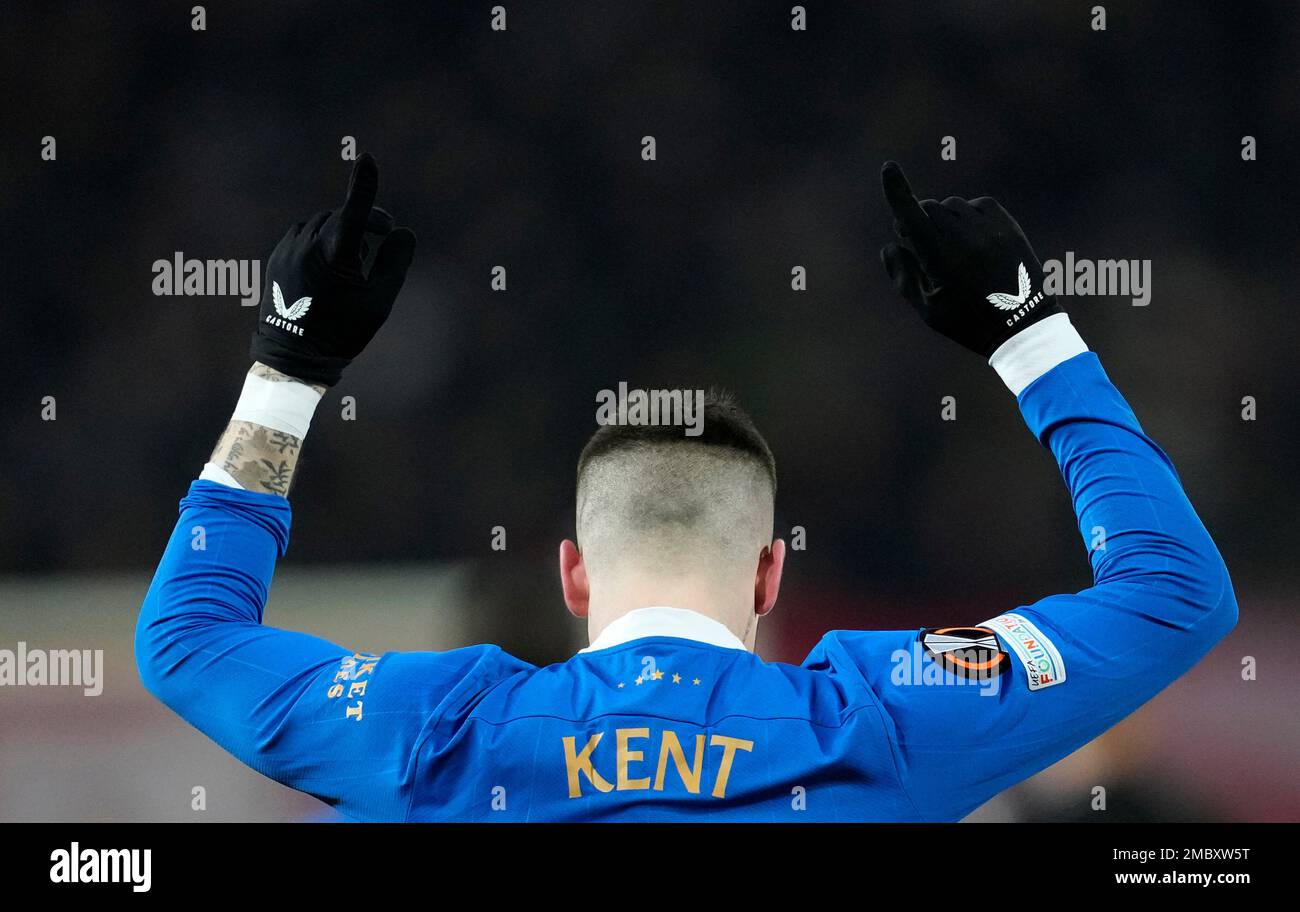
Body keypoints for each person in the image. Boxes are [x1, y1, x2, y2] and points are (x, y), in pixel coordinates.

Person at [136, 155, 1236, 821]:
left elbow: (184, 640)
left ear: (572, 574)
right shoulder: (885, 721)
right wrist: (1026, 334)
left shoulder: (442, 733)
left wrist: (290, 370)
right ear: (770, 572)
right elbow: (1177, 593)